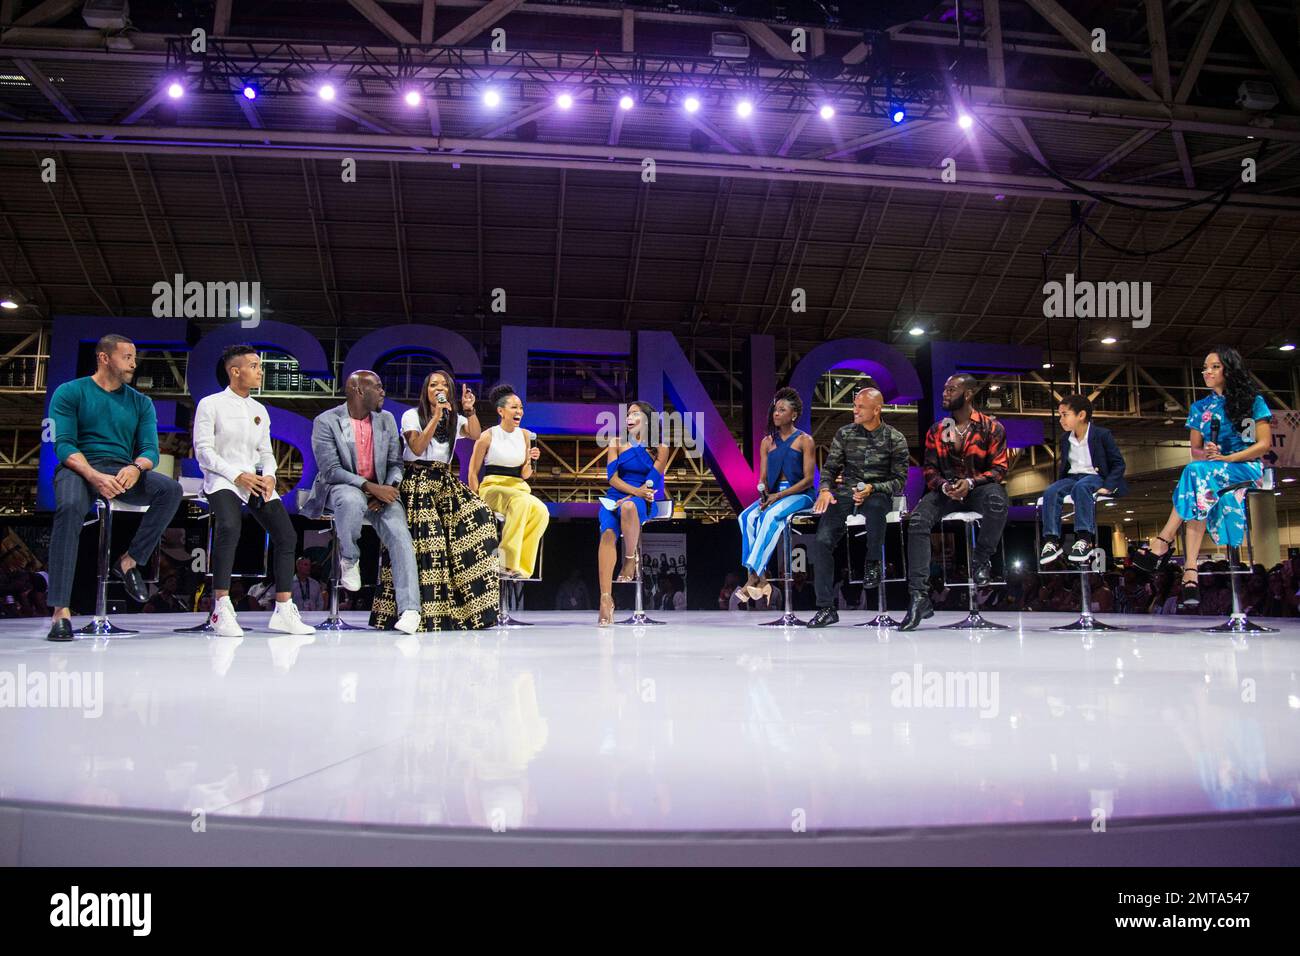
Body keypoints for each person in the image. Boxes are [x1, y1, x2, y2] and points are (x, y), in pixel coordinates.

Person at [46, 334, 183, 641]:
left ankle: (130, 560)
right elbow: (64, 444)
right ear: (104, 358)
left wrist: (136, 468)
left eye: (135, 358)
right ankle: (60, 611)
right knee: (69, 509)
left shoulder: (140, 402)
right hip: (79, 467)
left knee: (170, 490)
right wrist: (94, 476)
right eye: (127, 357)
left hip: (122, 469)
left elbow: (149, 450)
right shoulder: (71, 392)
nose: (133, 363)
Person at [1129, 347, 1273, 607]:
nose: (1207, 372)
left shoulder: (1253, 401)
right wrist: (1207, 452)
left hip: (1245, 467)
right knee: (1198, 483)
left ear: (1229, 369)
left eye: (1214, 367)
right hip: (1211, 471)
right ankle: (1190, 570)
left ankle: (1166, 543)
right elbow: (1195, 450)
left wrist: (1228, 458)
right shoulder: (1200, 407)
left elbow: (1263, 445)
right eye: (1205, 367)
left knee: (1195, 476)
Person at [192, 345, 315, 637]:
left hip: (254, 482)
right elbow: (204, 452)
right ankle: (221, 607)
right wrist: (238, 475)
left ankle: (284, 609)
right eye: (255, 365)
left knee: (286, 535)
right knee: (230, 526)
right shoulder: (211, 404)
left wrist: (270, 476)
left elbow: (266, 452)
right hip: (222, 480)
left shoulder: (259, 410)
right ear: (235, 371)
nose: (260, 371)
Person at [302, 370, 421, 635]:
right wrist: (370, 487)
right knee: (352, 498)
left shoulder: (386, 420)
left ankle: (410, 609)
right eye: (377, 387)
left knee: (401, 536)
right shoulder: (326, 421)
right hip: (342, 488)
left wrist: (389, 487)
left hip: (381, 492)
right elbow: (331, 469)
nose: (383, 392)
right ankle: (349, 558)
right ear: (358, 391)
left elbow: (394, 463)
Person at [381, 368, 499, 630]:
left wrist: (469, 411)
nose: (439, 388)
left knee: (481, 517)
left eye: (443, 385)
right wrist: (435, 417)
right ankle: (420, 613)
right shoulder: (412, 416)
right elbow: (417, 447)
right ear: (426, 390)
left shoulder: (454, 417)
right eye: (433, 384)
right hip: (418, 481)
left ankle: (468, 610)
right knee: (430, 543)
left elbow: (476, 434)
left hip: (444, 481)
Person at [900, 374, 1010, 631]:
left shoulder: (992, 427)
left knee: (997, 499)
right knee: (917, 520)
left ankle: (982, 560)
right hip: (945, 491)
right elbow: (929, 470)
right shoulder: (937, 430)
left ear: (968, 394)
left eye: (951, 389)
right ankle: (919, 597)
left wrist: (970, 484)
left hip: (979, 489)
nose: (945, 393)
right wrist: (945, 486)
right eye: (945, 389)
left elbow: (1000, 469)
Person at [807, 387, 910, 628]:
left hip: (877, 494)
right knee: (822, 541)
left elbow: (899, 480)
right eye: (854, 405)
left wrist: (873, 488)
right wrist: (824, 489)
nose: (855, 410)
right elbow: (831, 468)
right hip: (846, 494)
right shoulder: (844, 434)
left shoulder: (895, 439)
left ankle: (873, 562)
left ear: (876, 409)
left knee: (875, 510)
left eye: (860, 407)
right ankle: (826, 608)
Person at [738, 387, 816, 603]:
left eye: (782, 410)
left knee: (770, 516)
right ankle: (761, 580)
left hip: (801, 494)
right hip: (773, 495)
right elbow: (762, 477)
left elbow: (809, 480)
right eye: (775, 409)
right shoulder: (767, 442)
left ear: (794, 414)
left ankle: (752, 578)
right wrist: (763, 491)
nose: (776, 413)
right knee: (745, 517)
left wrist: (777, 498)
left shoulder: (804, 440)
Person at [596, 402, 668, 626]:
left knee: (629, 507)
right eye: (627, 414)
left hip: (642, 498)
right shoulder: (616, 443)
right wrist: (630, 492)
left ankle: (629, 561)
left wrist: (638, 494)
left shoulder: (661, 447)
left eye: (635, 413)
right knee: (607, 534)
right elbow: (612, 478)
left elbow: (653, 481)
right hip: (615, 495)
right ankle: (606, 600)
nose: (629, 417)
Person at [468, 383, 549, 579]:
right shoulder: (487, 436)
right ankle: (505, 562)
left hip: (518, 488)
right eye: (514, 407)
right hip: (492, 488)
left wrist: (531, 458)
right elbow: (472, 471)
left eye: (520, 407)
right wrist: (475, 501)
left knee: (541, 511)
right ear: (501, 411)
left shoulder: (525, 435)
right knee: (520, 502)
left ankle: (521, 567)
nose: (519, 411)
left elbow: (526, 474)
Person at [1039, 392, 1127, 566]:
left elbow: (1118, 463)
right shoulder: (1065, 439)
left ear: (1081, 415)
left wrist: (1109, 486)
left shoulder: (1102, 434)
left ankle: (1085, 538)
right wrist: (1060, 485)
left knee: (1081, 487)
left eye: (1065, 415)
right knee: (1051, 491)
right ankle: (1052, 540)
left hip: (1096, 476)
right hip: (1073, 477)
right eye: (1060, 415)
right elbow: (1066, 467)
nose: (1061, 419)